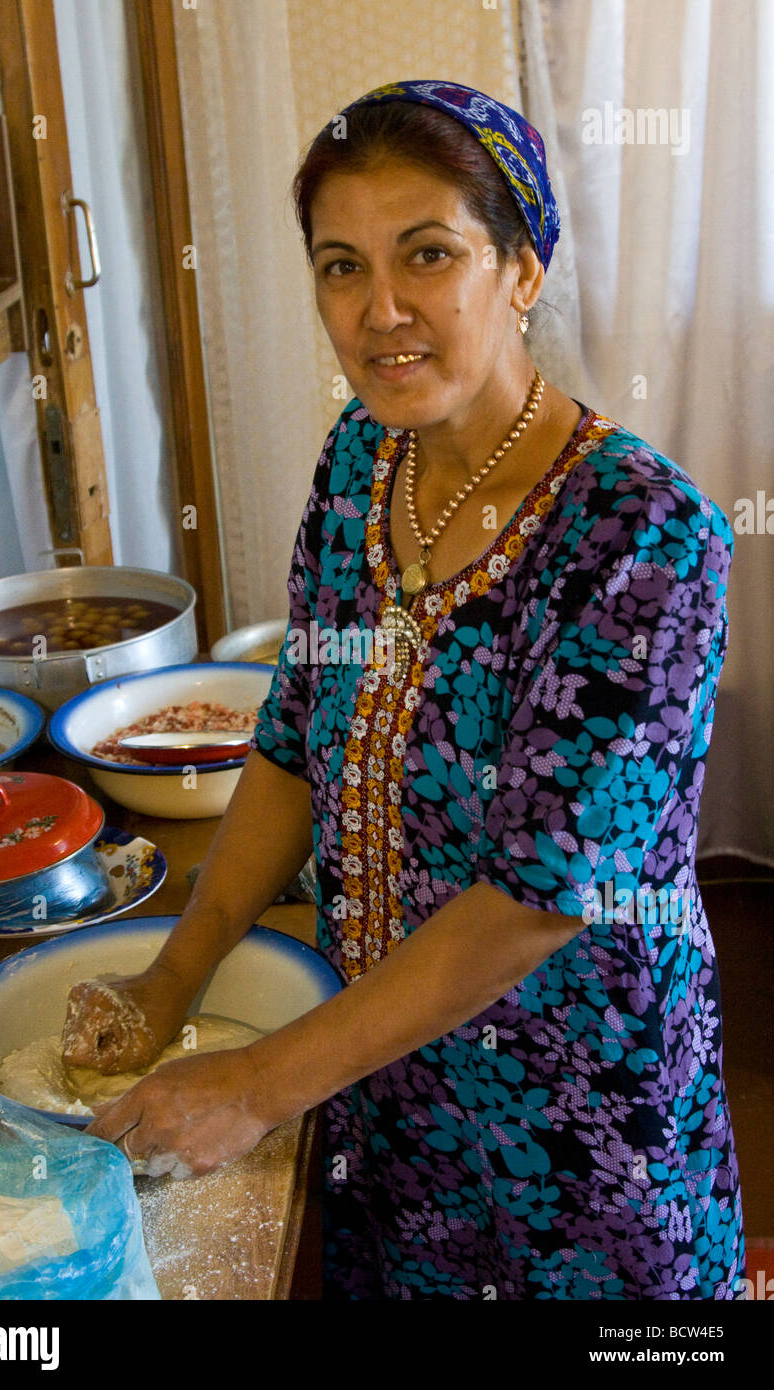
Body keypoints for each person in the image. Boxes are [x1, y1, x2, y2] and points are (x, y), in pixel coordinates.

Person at [65, 80, 745, 1300]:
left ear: (522, 268)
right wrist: (177, 972)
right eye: (340, 266)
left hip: (574, 1115)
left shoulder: (640, 533)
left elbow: (542, 895)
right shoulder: (358, 461)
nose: (380, 311)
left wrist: (261, 1081)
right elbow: (289, 741)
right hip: (380, 1068)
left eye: (427, 254)